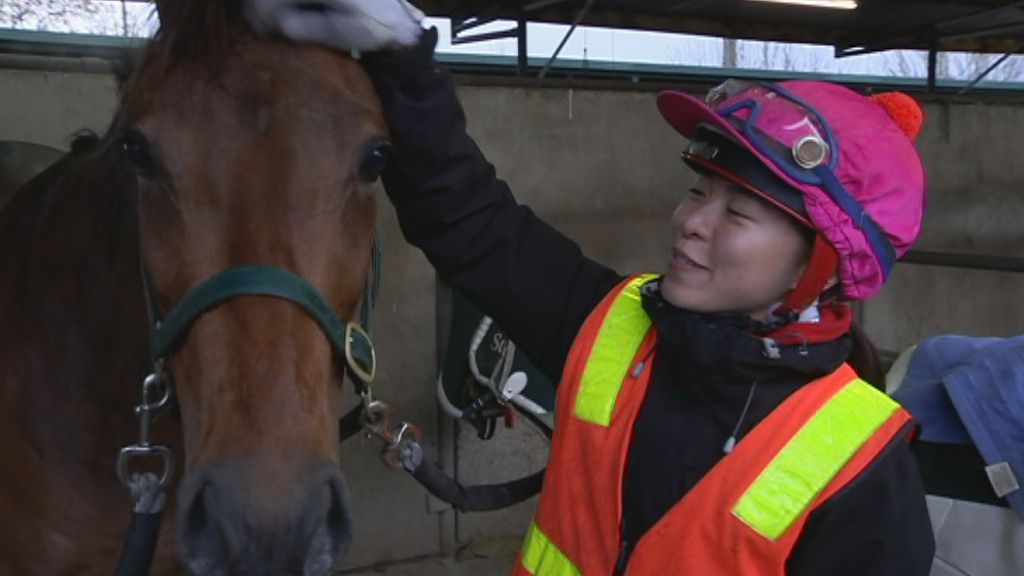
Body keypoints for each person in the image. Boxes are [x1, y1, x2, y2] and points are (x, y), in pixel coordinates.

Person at [244, 2, 936, 574]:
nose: (690, 222)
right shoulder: (614, 324)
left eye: (737, 213)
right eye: (698, 190)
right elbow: (469, 221)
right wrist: (400, 55)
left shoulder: (864, 473)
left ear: (817, 267)